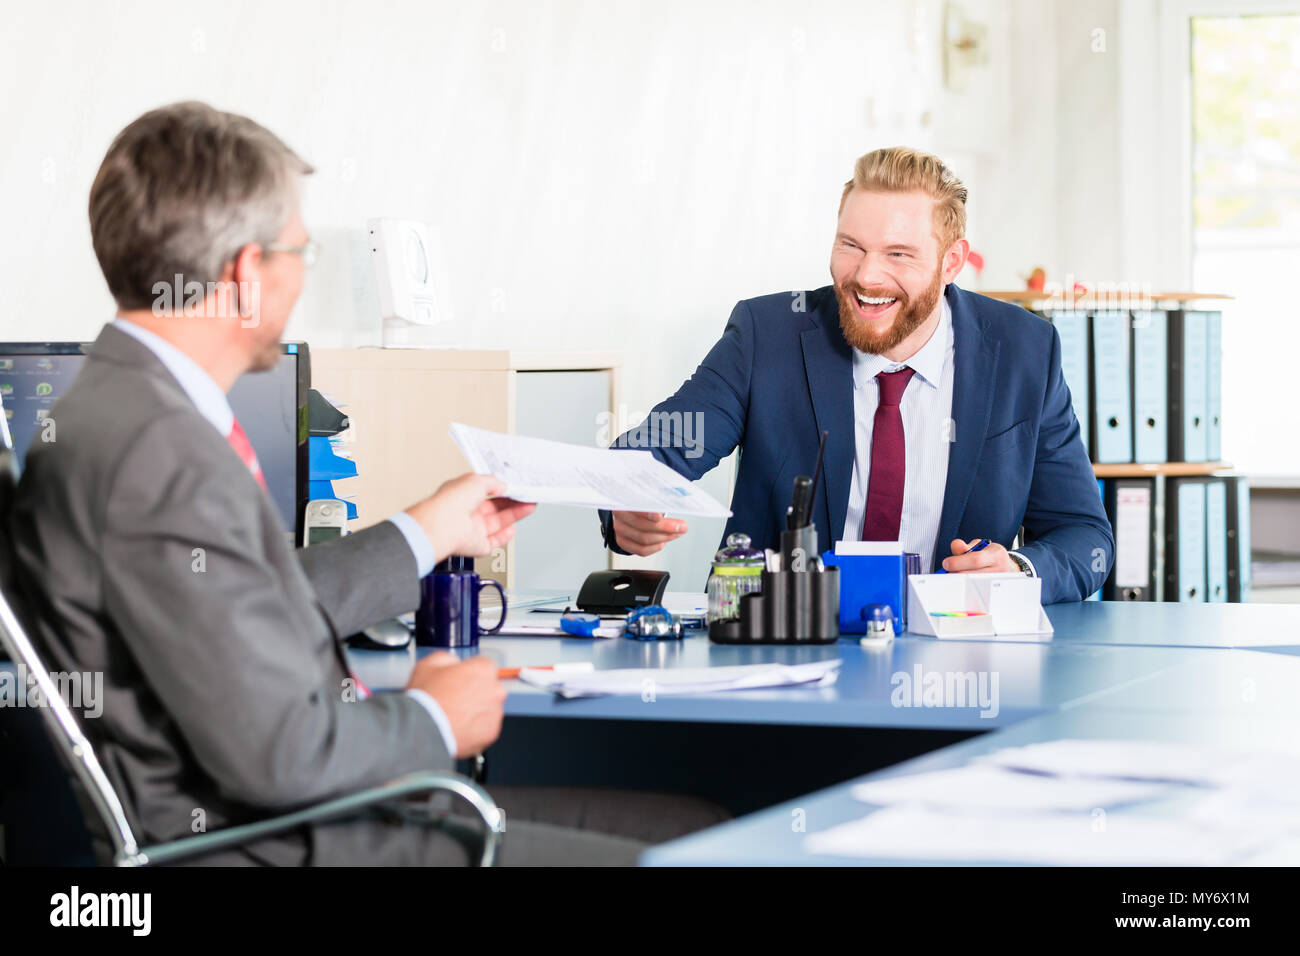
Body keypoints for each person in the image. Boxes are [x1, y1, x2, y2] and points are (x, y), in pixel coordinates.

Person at [10, 102, 723, 866]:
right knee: (700, 847)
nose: (299, 279)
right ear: (249, 271)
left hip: (287, 825)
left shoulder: (120, 409)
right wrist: (433, 718)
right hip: (287, 846)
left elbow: (244, 604)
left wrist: (426, 530)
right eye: (299, 254)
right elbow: (280, 755)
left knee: (691, 823)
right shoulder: (162, 454)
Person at [601, 147, 1113, 604]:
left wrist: (1017, 571)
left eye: (898, 254)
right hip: (781, 650)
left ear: (951, 262)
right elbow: (655, 451)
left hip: (952, 659)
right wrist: (625, 509)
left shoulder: (1024, 350)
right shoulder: (768, 335)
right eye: (851, 246)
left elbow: (1083, 536)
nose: (866, 276)